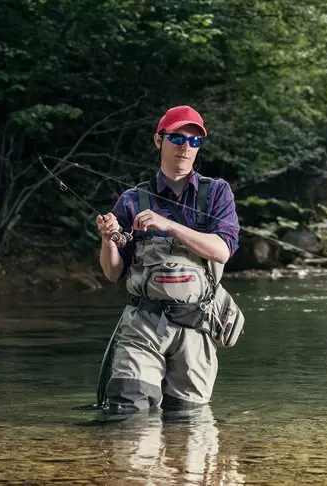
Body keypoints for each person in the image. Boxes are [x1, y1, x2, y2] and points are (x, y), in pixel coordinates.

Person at [95, 105, 240, 414]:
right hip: (142, 324)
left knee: (187, 428)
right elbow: (113, 272)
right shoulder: (132, 199)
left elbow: (221, 250)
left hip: (197, 327)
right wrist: (108, 240)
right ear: (158, 141)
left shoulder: (217, 193)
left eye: (194, 141)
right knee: (127, 414)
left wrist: (169, 225)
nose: (185, 147)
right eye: (176, 138)